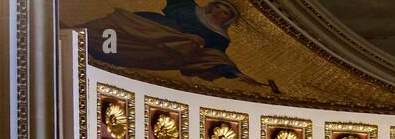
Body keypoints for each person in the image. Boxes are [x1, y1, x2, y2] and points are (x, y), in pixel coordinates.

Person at [72, 1, 278, 90]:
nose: (218, 12)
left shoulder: (219, 38)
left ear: (227, 20)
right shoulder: (189, 8)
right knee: (115, 23)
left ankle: (94, 49)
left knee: (126, 54)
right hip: (153, 26)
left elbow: (215, 57)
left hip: (168, 50)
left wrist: (233, 72)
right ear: (210, 6)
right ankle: (78, 32)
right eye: (217, 7)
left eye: (225, 13)